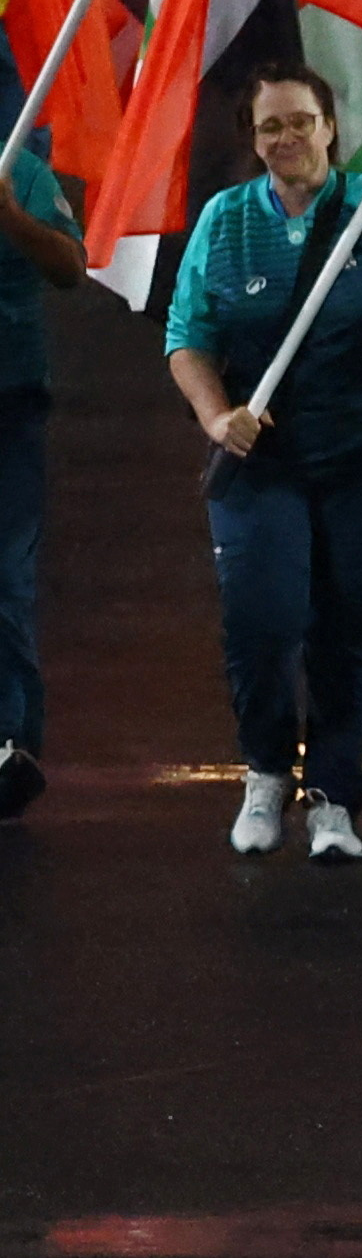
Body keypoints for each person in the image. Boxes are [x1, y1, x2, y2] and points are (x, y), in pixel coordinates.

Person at [168, 63, 362, 860]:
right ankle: (266, 767)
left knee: (347, 614)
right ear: (252, 140)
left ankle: (334, 791)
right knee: (264, 616)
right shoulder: (227, 222)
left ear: (331, 128)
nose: (288, 138)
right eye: (272, 126)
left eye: (302, 121)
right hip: (262, 461)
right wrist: (216, 414)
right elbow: (187, 339)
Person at [0, 114, 72, 819]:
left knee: (4, 572)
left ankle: (12, 740)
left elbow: (71, 267)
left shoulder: (21, 170)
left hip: (9, 400)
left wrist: (12, 219)